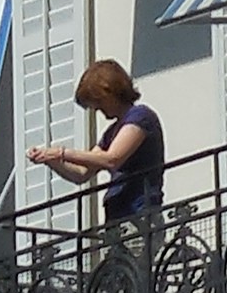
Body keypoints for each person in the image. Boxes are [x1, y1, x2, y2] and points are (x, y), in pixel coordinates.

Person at [29, 54, 165, 223]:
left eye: (99, 102)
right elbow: (82, 173)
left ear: (111, 92)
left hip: (139, 212)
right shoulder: (112, 132)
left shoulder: (141, 117)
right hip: (117, 214)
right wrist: (50, 159)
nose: (97, 108)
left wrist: (61, 153)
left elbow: (112, 159)